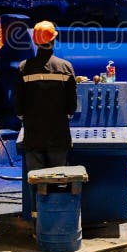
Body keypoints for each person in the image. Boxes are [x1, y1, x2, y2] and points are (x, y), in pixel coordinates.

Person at [14, 20, 78, 173]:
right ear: (53, 41)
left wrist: (25, 116)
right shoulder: (65, 67)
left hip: (33, 137)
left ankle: (38, 198)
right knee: (58, 180)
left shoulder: (24, 68)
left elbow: (18, 103)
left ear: (36, 42)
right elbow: (73, 105)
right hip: (58, 137)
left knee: (36, 181)